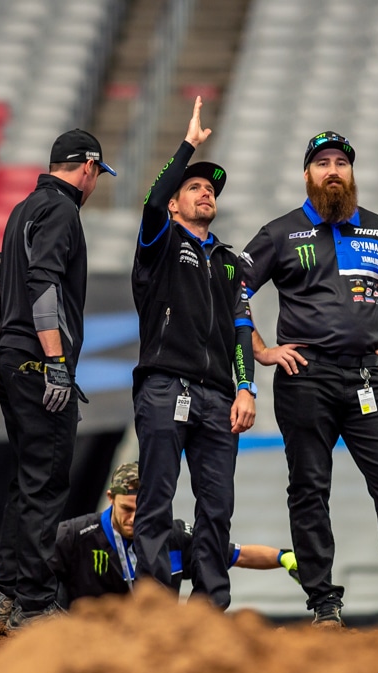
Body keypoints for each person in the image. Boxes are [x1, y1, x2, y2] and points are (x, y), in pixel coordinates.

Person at [239, 131, 378, 628]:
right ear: (307, 175)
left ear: (352, 173)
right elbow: (232, 289)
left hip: (368, 377)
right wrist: (263, 350)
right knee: (309, 488)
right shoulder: (280, 232)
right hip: (305, 375)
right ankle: (323, 604)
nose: (332, 171)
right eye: (322, 163)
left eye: (341, 163)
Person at [0, 128, 114, 633]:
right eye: (97, 173)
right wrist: (55, 360)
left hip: (11, 359)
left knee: (26, 481)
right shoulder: (61, 211)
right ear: (87, 168)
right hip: (38, 362)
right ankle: (34, 604)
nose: (95, 183)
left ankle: (3, 596)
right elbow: (43, 283)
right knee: (47, 482)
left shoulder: (23, 209)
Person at [131, 97, 254, 610]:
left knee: (217, 508)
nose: (205, 193)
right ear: (178, 203)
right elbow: (153, 201)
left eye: (211, 189)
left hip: (219, 398)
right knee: (156, 499)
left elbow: (243, 327)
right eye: (195, 187)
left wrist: (246, 387)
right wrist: (188, 146)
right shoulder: (160, 243)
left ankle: (208, 608)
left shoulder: (231, 260)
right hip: (164, 387)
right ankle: (156, 604)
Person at [51, 463, 297, 607]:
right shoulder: (75, 534)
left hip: (155, 647)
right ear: (110, 498)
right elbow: (34, 565)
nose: (134, 519)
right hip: (87, 647)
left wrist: (284, 558)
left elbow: (237, 555)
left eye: (142, 510)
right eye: (126, 509)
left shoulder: (173, 534)